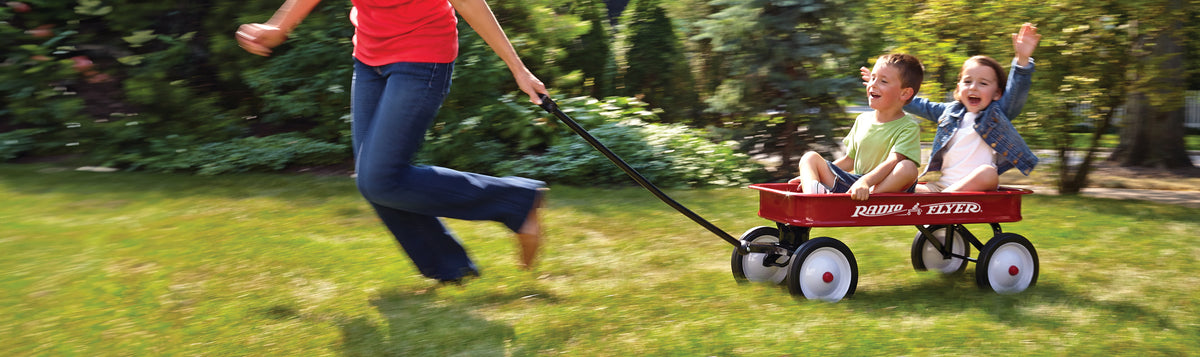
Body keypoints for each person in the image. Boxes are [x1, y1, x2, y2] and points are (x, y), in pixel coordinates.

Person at [235, 0, 549, 284]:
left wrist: (518, 69)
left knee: (380, 179)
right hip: (369, 57)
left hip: (423, 56)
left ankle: (515, 202)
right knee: (375, 180)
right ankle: (451, 269)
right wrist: (278, 27)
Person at [877, 23, 1041, 192]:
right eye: (967, 81)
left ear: (997, 93)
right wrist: (887, 88)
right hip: (942, 187)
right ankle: (872, 197)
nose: (973, 87)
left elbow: (1016, 93)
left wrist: (1022, 61)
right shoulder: (950, 112)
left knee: (988, 172)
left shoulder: (997, 114)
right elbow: (920, 105)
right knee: (902, 184)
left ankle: (941, 202)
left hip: (977, 186)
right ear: (958, 88)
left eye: (983, 83)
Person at [789, 53, 924, 201]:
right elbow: (849, 160)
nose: (872, 84)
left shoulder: (908, 126)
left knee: (907, 167)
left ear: (905, 93)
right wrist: (812, 175)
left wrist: (866, 182)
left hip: (884, 186)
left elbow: (893, 161)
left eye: (883, 81)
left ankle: (868, 198)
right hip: (855, 185)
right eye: (873, 78)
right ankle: (814, 196)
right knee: (810, 158)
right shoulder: (862, 120)